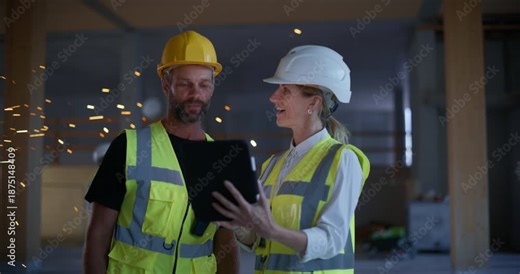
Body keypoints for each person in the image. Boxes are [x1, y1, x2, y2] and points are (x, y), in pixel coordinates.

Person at [83, 31, 239, 274]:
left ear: (212, 88)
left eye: (204, 85)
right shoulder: (129, 147)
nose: (195, 94)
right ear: (166, 85)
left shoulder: (223, 159)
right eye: (185, 84)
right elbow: (98, 235)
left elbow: (226, 242)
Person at [211, 45, 370, 273]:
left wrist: (273, 231)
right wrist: (241, 226)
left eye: (285, 90)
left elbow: (333, 239)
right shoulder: (273, 165)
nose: (273, 98)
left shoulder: (343, 160)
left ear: (313, 103)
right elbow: (260, 242)